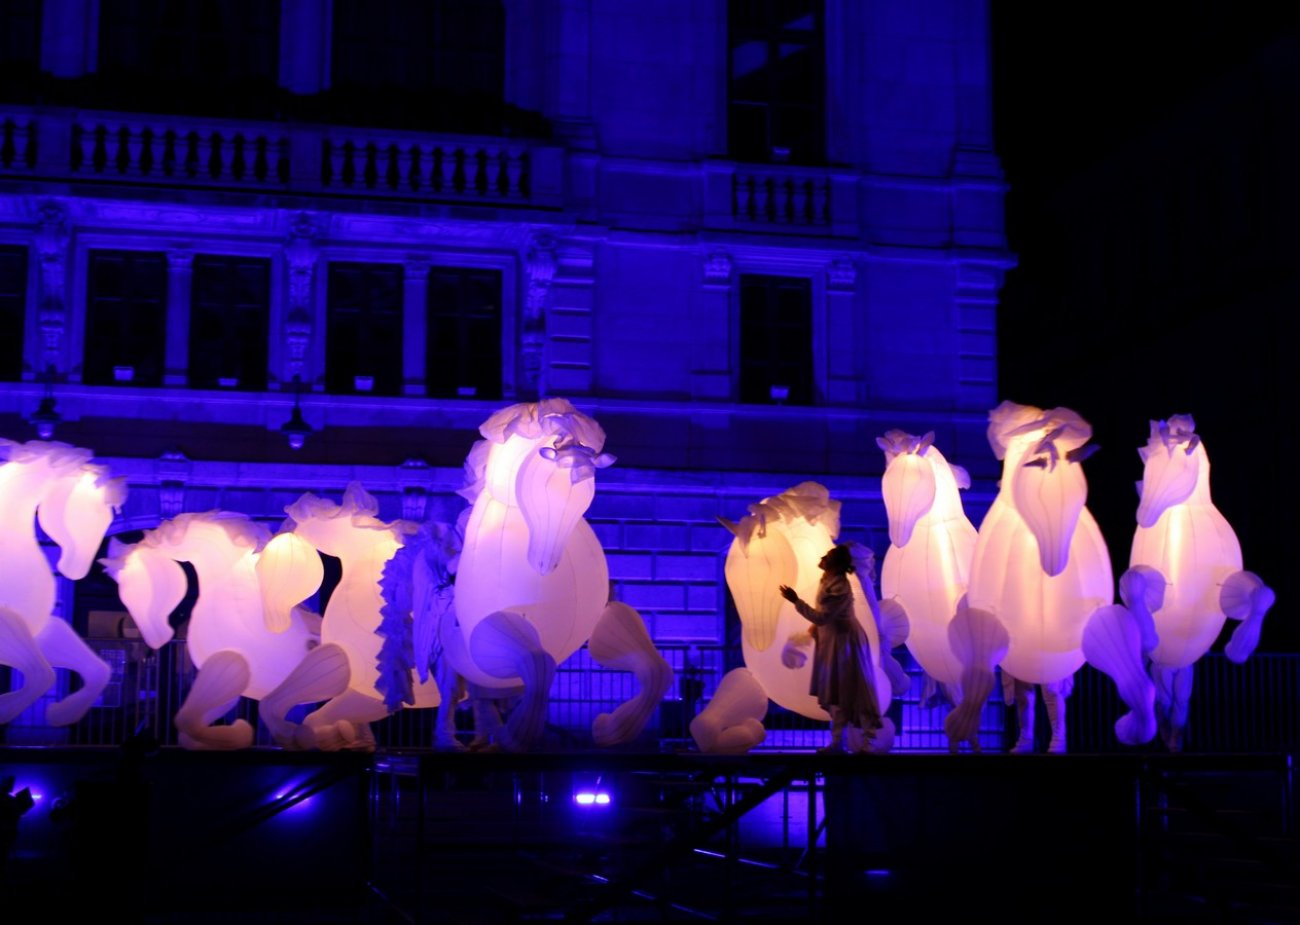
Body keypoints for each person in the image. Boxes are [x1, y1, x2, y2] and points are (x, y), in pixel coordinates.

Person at [779, 544, 883, 754]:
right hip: (831, 642)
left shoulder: (840, 587)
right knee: (836, 694)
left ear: (835, 563)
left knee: (854, 690)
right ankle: (837, 742)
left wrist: (796, 601)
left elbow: (823, 616)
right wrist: (810, 633)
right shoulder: (827, 581)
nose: (822, 557)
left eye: (827, 556)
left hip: (846, 644)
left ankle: (867, 743)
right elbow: (822, 617)